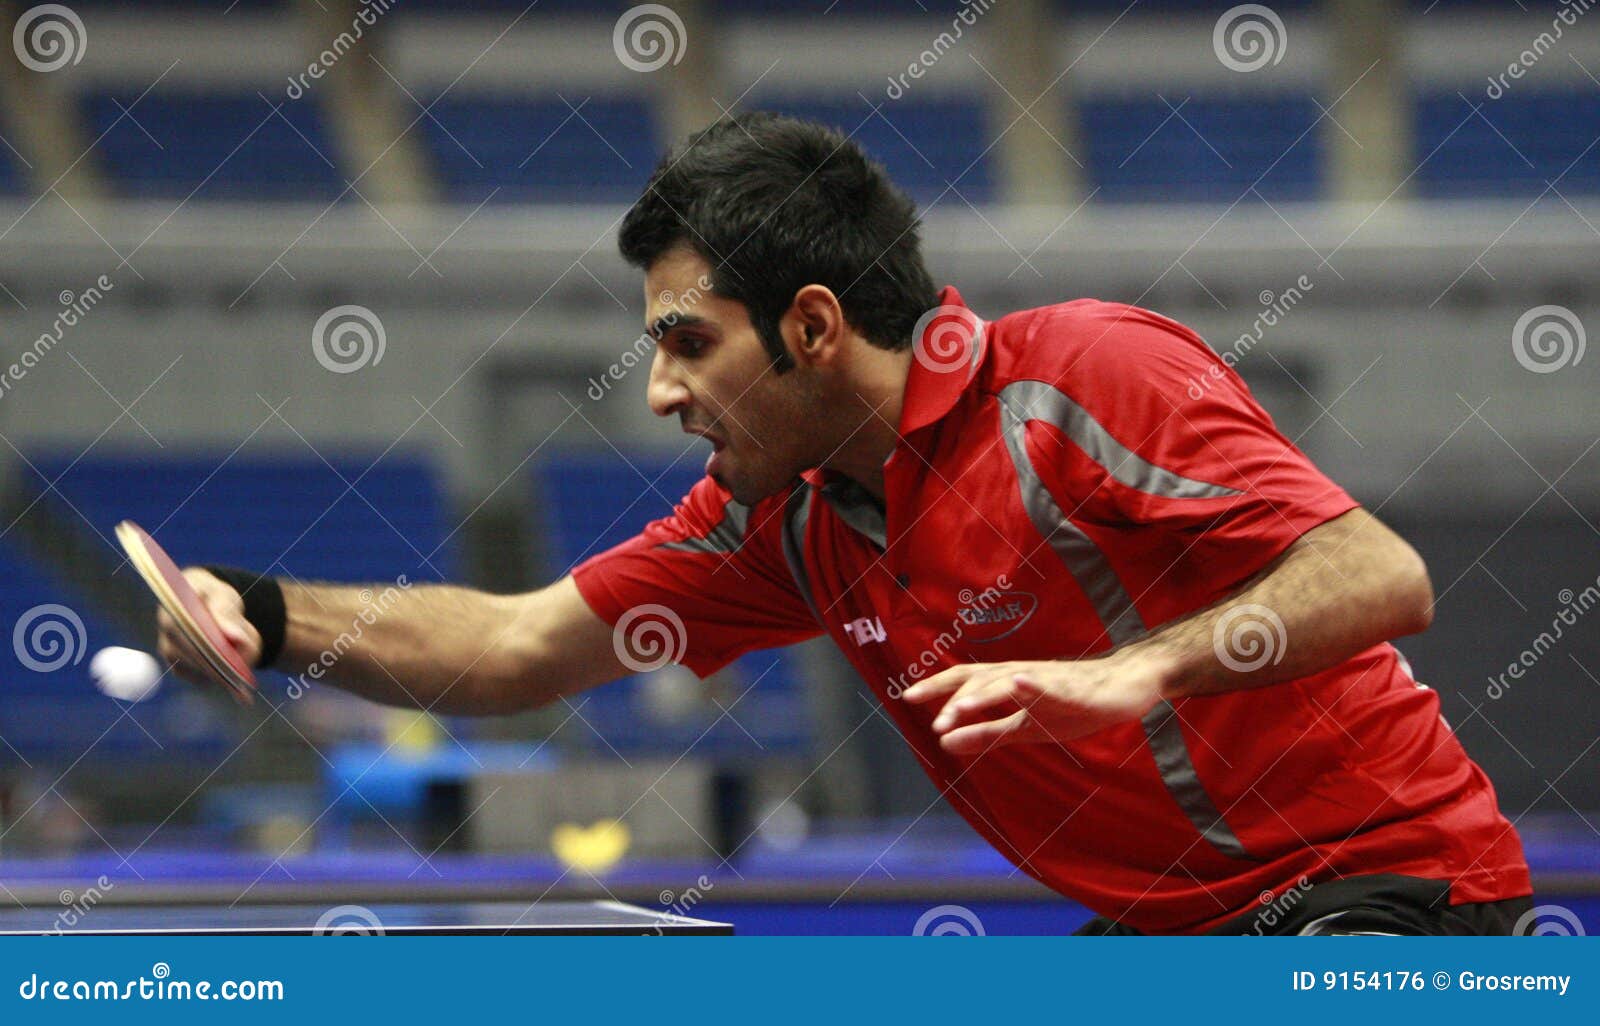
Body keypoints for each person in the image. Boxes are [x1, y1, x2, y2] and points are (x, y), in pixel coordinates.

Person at [161, 113, 1532, 936]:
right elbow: (518, 644)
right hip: (1179, 934)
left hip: (1391, 901)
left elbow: (1378, 569)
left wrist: (1134, 670)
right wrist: (264, 613)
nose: (658, 390)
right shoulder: (789, 521)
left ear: (813, 325)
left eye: (688, 342)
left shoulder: (1079, 380)